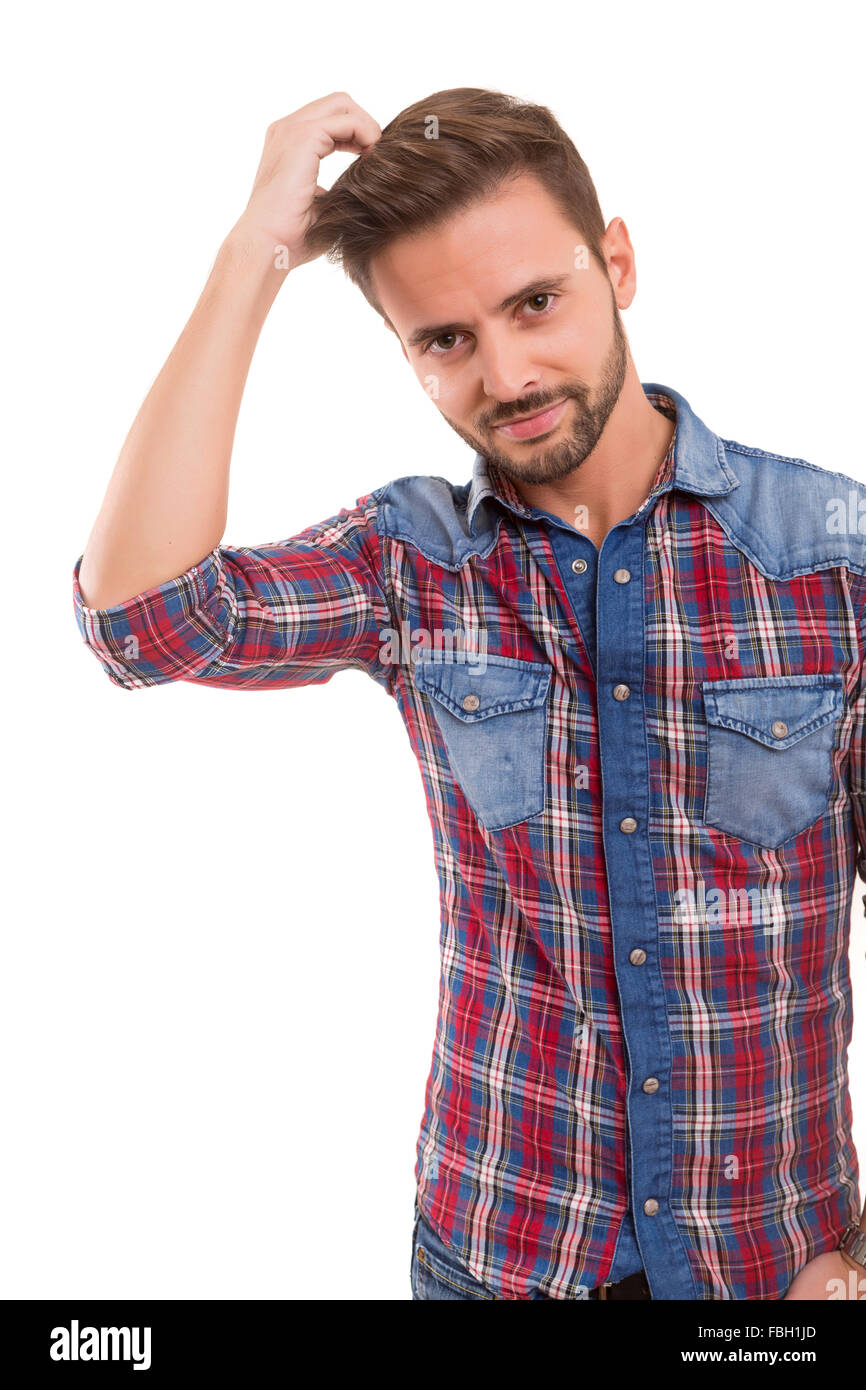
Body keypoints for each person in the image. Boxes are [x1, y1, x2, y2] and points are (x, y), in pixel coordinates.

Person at [72, 87, 866, 1301]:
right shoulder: (413, 564)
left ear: (617, 263)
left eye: (534, 303)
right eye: (442, 339)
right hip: (496, 1260)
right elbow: (142, 621)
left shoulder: (830, 556)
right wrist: (253, 255)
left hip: (772, 1275)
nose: (505, 372)